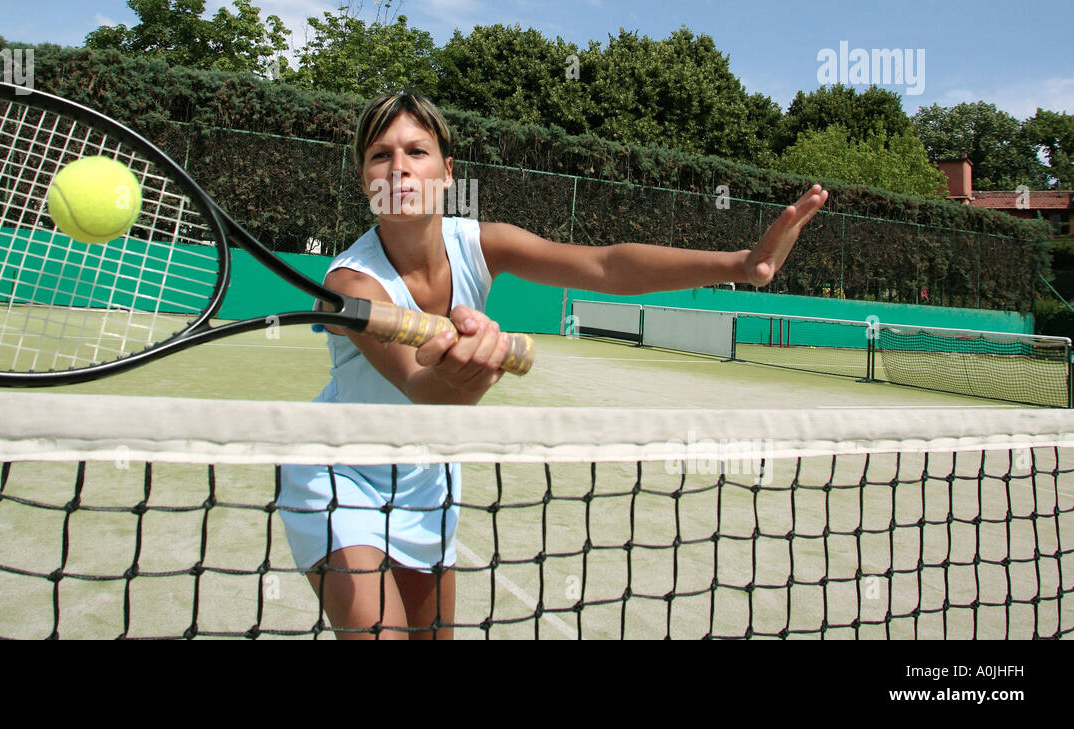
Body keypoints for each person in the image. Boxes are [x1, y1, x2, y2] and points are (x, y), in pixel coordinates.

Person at [278, 92, 828, 640]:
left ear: (447, 172)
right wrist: (471, 376)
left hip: (427, 477)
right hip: (340, 473)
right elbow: (423, 388)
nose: (399, 167)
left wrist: (741, 264)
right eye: (380, 155)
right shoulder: (349, 285)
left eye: (416, 151)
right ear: (363, 177)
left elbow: (606, 265)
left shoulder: (480, 244)